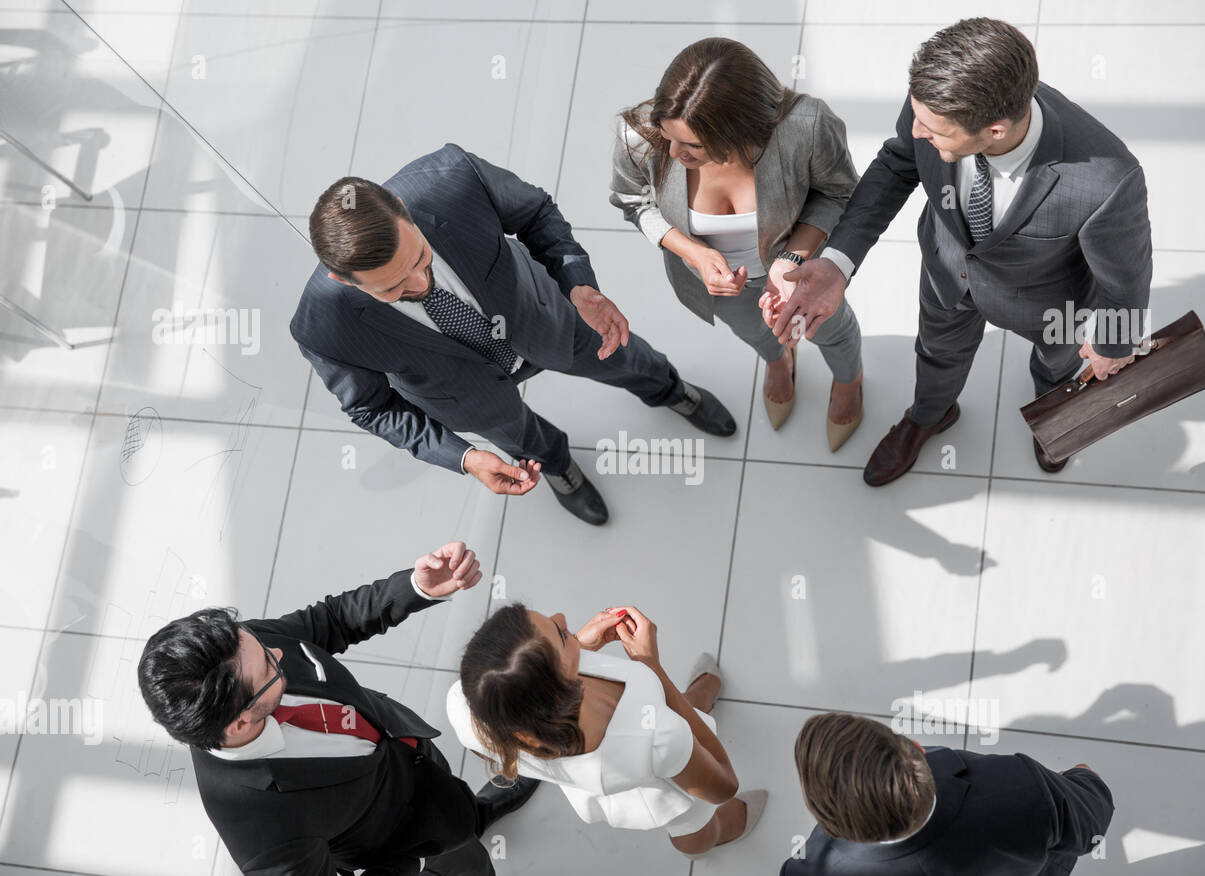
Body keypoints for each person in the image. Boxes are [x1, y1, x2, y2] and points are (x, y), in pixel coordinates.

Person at [767, 17, 1153, 481]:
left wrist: (1114, 341)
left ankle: (1053, 418)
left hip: (1051, 304)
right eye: (917, 118)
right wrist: (837, 263)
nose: (918, 133)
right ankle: (929, 417)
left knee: (1057, 368)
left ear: (993, 130)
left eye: (933, 131)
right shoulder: (936, 100)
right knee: (935, 355)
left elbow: (1126, 281)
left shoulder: (1107, 180)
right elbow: (896, 165)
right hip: (947, 275)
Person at [291, 151, 737, 527]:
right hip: (463, 395)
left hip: (546, 316)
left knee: (627, 358)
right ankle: (560, 467)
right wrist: (465, 457)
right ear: (343, 279)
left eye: (421, 258)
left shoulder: (454, 178)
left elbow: (537, 213)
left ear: (405, 212)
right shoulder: (322, 325)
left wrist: (577, 283)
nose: (420, 283)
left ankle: (671, 391)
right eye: (392, 288)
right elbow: (372, 408)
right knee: (523, 439)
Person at [136, 543, 573, 876]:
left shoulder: (242, 650)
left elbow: (328, 622)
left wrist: (417, 587)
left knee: (456, 803)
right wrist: (414, 859)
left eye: (254, 639)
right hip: (405, 830)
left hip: (405, 749)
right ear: (238, 722)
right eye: (269, 665)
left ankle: (474, 813)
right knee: (461, 865)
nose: (276, 652)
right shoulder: (261, 833)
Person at [611, 37, 866, 451]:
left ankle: (848, 380)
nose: (673, 154)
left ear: (742, 130)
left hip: (801, 271)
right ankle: (778, 361)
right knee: (755, 332)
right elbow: (631, 199)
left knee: (831, 333)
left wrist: (789, 260)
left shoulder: (807, 126)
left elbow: (838, 193)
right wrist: (692, 251)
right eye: (669, 137)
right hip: (714, 284)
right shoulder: (640, 135)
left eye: (694, 146)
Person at [446, 603, 766, 857]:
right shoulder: (661, 738)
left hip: (611, 782)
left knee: (682, 714)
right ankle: (717, 836)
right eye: (560, 634)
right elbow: (725, 784)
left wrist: (578, 646)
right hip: (666, 780)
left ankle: (692, 703)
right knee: (692, 824)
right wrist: (652, 668)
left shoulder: (466, 704)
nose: (562, 617)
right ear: (559, 690)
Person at [780, 712, 1114, 876]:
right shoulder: (1020, 788)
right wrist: (1082, 777)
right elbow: (1091, 820)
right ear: (917, 747)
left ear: (827, 820)